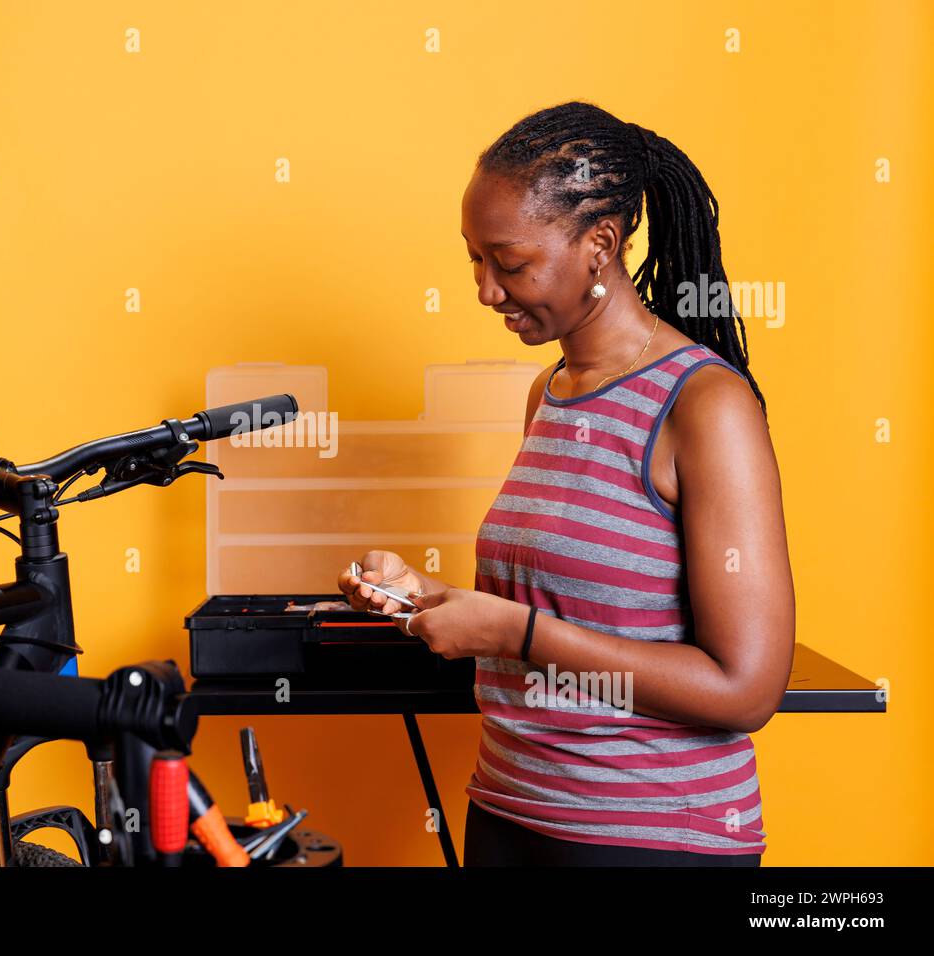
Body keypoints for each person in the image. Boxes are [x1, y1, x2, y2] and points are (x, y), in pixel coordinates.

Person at [339, 102, 795, 867]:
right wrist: (422, 598)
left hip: (646, 838)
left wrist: (510, 633)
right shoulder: (550, 392)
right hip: (511, 811)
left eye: (509, 264)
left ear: (600, 245)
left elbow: (747, 690)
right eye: (474, 261)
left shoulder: (704, 406)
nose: (486, 290)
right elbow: (558, 605)